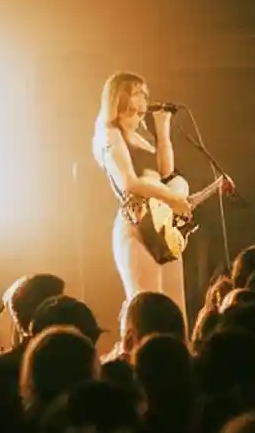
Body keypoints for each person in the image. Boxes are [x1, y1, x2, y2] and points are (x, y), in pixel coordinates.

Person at [91, 72, 233, 312]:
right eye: (137, 93)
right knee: (149, 307)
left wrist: (162, 129)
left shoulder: (142, 132)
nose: (145, 99)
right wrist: (173, 199)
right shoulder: (109, 134)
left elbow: (166, 174)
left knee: (173, 308)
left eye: (145, 94)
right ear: (120, 97)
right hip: (137, 226)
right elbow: (129, 182)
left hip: (162, 226)